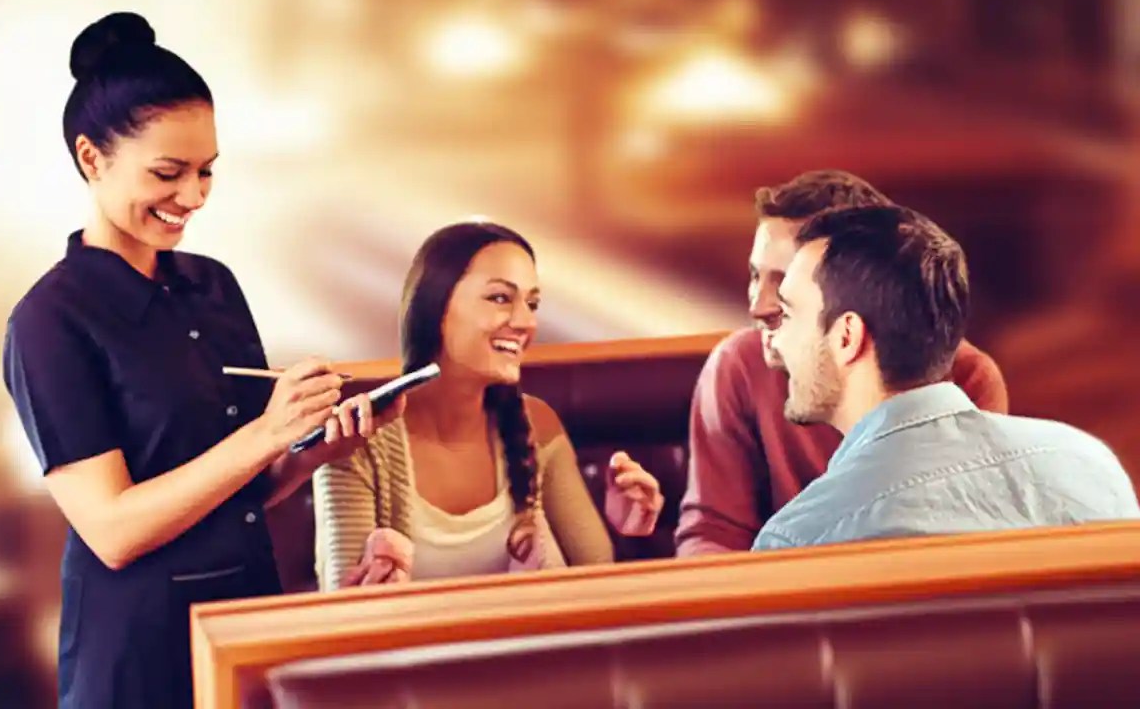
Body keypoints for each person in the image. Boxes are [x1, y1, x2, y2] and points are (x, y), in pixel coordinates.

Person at [2, 13, 398, 708]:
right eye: (168, 172)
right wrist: (267, 434)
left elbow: (248, 489)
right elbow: (114, 530)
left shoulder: (212, 285)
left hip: (246, 622)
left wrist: (311, 450)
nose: (193, 197)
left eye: (207, 171)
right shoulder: (49, 321)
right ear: (92, 158)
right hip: (136, 653)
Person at [753, 205, 1139, 550]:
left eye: (788, 315)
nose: (778, 341)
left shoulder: (801, 540)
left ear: (847, 337)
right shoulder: (1088, 463)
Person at [312, 221, 664, 590]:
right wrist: (372, 602)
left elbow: (601, 593)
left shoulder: (537, 425)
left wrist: (629, 532)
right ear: (437, 306)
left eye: (532, 304)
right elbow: (344, 613)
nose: (526, 322)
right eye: (500, 298)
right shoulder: (354, 442)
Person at [675, 170, 1009, 555]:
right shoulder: (737, 366)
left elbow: (966, 530)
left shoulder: (967, 376)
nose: (758, 306)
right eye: (755, 276)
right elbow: (712, 534)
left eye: (783, 283)